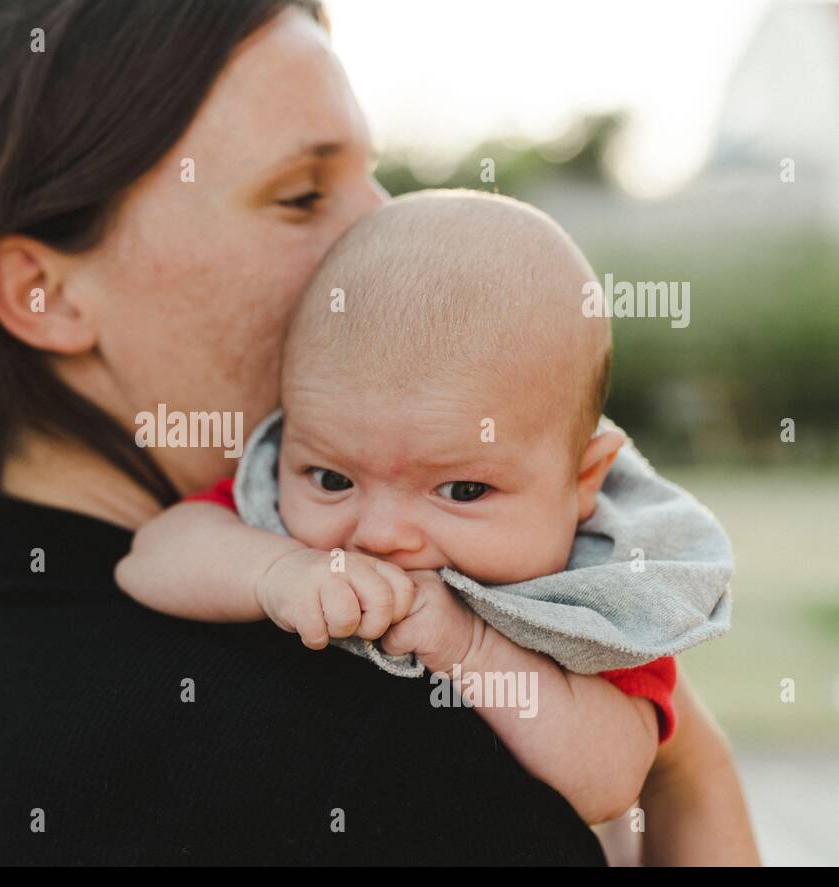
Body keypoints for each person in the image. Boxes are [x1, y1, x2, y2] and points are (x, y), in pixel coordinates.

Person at [0, 0, 757, 865]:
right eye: (301, 195)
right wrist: (689, 770)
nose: (381, 234)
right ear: (44, 292)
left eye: (368, 181)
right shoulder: (389, 757)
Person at [116, 189, 733, 831]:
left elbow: (605, 782)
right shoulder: (280, 526)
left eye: (462, 491)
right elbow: (149, 559)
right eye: (332, 479)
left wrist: (470, 647)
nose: (380, 535)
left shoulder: (603, 592)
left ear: (583, 481)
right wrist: (273, 572)